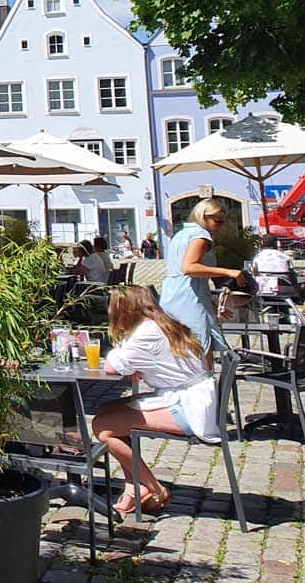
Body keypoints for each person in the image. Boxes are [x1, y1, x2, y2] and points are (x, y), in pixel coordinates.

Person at [92, 287, 221, 514]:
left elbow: (112, 366)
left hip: (188, 406)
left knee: (102, 427)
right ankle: (135, 486)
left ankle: (154, 487)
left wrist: (121, 353)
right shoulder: (159, 324)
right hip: (188, 394)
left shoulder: (146, 333)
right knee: (105, 410)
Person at [161, 198, 246, 358]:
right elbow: (189, 267)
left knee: (181, 349)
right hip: (189, 297)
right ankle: (205, 380)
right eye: (217, 221)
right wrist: (229, 272)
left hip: (172, 295)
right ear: (203, 217)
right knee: (201, 349)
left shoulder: (181, 234)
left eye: (223, 222)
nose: (220, 227)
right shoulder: (201, 236)